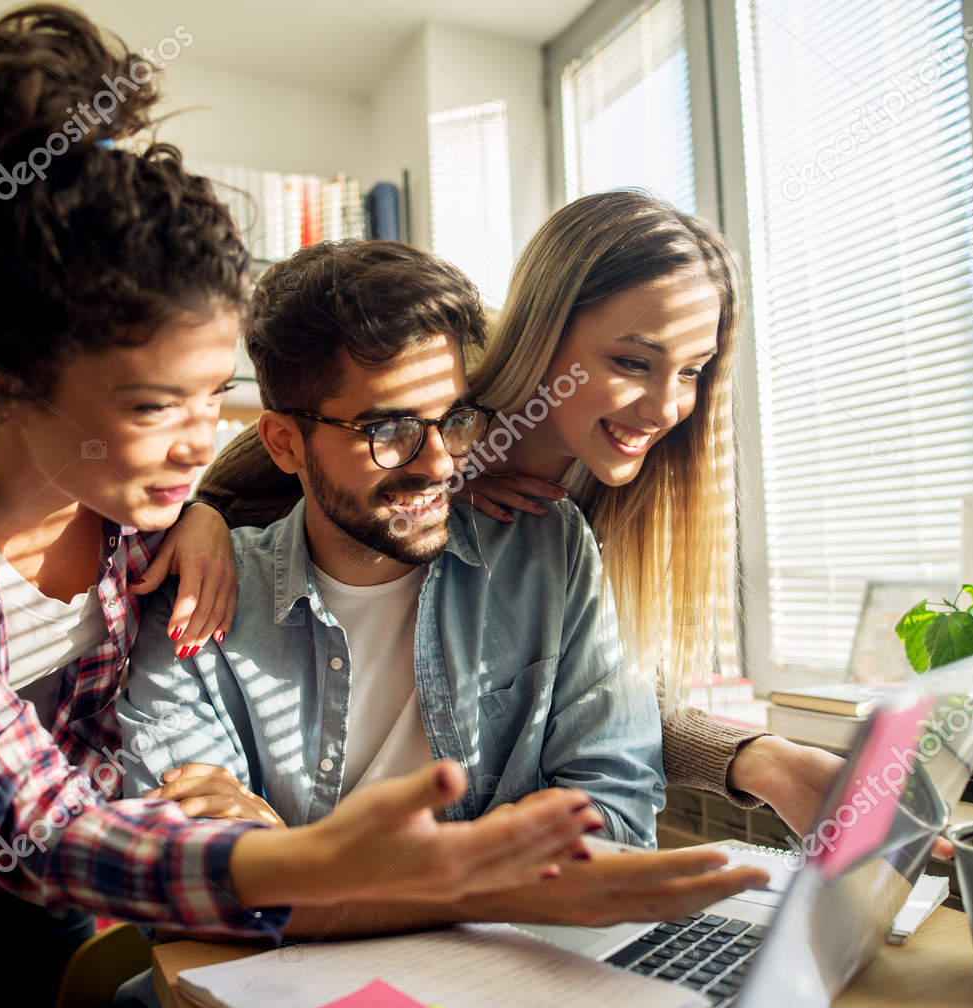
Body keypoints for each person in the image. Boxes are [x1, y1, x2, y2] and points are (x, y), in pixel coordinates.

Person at [0, 4, 602, 1008]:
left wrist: (216, 511)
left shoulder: (156, 502)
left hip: (47, 787)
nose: (193, 445)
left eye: (209, 397)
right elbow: (38, 822)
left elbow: (317, 459)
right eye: (149, 407)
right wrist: (309, 863)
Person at [121, 238, 770, 938]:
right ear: (283, 445)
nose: (439, 465)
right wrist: (478, 878)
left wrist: (301, 873)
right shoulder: (196, 595)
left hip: (504, 982)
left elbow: (615, 813)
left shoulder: (547, 548)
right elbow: (195, 882)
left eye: (455, 420)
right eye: (389, 429)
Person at [197, 192, 842, 838]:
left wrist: (759, 759)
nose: (664, 407)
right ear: (544, 334)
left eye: (692, 372)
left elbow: (613, 713)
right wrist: (198, 521)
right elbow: (268, 458)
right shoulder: (444, 376)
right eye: (632, 362)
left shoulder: (608, 504)